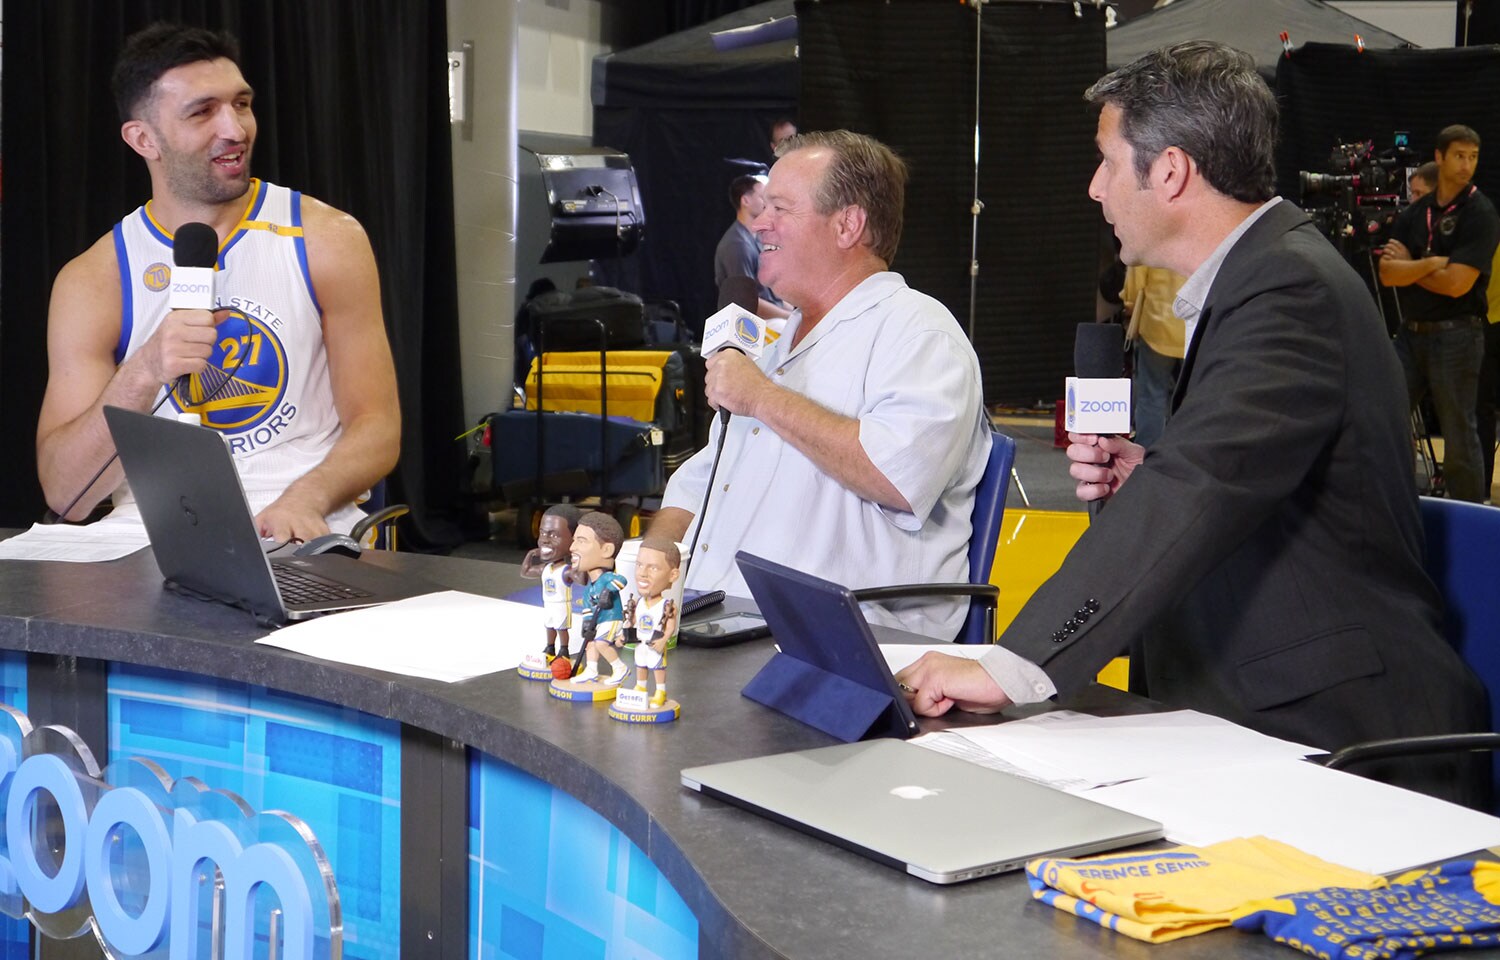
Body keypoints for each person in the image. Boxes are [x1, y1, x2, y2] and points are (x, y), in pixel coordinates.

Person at [897, 41, 1485, 803]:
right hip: (1252, 695)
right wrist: (1149, 473)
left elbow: (1200, 484)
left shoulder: (1287, 288)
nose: (1094, 187)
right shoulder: (1266, 273)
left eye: (1108, 161)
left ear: (1170, 171)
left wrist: (1008, 665)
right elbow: (1239, 475)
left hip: (1331, 731)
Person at [35, 24, 400, 543]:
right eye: (202, 112)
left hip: (301, 528)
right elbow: (66, 493)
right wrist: (143, 370)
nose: (235, 128)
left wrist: (306, 498)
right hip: (147, 537)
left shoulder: (326, 238)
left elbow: (377, 426)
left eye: (242, 104)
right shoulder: (92, 279)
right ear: (143, 138)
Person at [651, 130, 992, 642]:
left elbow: (896, 475)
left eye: (781, 209)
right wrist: (653, 555)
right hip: (723, 621)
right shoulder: (775, 345)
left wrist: (762, 398)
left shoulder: (919, 331)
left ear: (847, 224)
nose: (760, 222)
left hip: (840, 642)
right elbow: (704, 480)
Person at [1379, 125, 1499, 504]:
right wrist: (1430, 262)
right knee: (1384, 413)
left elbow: (1457, 285)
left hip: (1458, 335)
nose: (1467, 165)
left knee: (1459, 436)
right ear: (1439, 157)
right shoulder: (1416, 213)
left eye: (1473, 157)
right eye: (1459, 156)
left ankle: (1470, 515)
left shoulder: (1480, 213)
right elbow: (1386, 273)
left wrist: (1411, 268)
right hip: (1411, 334)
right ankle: (1394, 501)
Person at [1120, 265, 1187, 447]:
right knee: (1192, 395)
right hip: (1192, 326)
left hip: (1156, 328)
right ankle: (1186, 449)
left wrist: (1129, 303)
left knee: (1151, 395)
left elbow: (1136, 279)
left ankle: (1148, 451)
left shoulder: (1152, 236)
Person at [714, 175, 789, 321]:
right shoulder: (736, 244)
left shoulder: (755, 238)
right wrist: (789, 317)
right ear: (745, 201)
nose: (766, 204)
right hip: (754, 324)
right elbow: (744, 302)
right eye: (762, 197)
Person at [570, 512, 630, 687]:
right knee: (590, 644)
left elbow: (621, 581)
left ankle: (620, 669)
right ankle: (591, 670)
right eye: (574, 540)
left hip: (612, 618)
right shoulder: (590, 588)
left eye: (581, 541)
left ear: (606, 550)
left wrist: (608, 591)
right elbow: (588, 609)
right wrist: (587, 624)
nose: (572, 547)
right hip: (600, 621)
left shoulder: (606, 578)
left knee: (602, 644)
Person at [519, 504, 582, 662]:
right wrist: (530, 554)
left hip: (561, 604)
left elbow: (582, 579)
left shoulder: (566, 571)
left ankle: (564, 649)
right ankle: (550, 646)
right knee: (549, 625)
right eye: (542, 533)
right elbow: (525, 572)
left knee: (561, 628)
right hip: (548, 603)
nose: (545, 540)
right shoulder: (545, 568)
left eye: (553, 535)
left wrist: (579, 557)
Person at [624, 537, 680, 707]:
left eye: (653, 568)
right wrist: (623, 634)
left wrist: (663, 640)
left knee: (657, 668)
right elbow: (631, 621)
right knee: (640, 665)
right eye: (639, 565)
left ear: (673, 575)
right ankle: (640, 688)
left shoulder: (666, 605)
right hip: (640, 643)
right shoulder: (638, 603)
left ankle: (660, 691)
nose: (642, 573)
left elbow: (670, 627)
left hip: (654, 642)